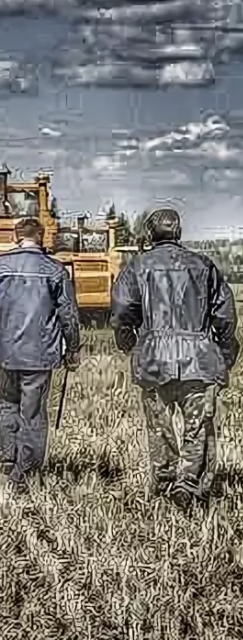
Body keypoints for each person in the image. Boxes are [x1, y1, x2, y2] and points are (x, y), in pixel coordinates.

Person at [110, 208, 238, 509]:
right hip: (198, 359)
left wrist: (128, 341)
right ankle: (188, 482)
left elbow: (121, 313)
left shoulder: (138, 266)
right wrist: (225, 352)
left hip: (154, 359)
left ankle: (167, 480)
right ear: (178, 233)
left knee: (159, 427)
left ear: (150, 234)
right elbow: (224, 316)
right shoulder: (203, 265)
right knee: (198, 426)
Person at [0, 217, 81, 492]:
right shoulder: (55, 270)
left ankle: (8, 460)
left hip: (4, 350)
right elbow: (68, 315)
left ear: (16, 236)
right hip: (40, 352)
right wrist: (73, 349)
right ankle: (25, 473)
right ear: (41, 237)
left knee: (7, 403)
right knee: (34, 412)